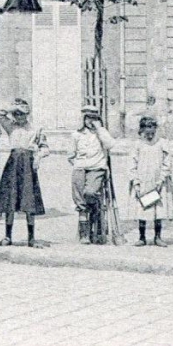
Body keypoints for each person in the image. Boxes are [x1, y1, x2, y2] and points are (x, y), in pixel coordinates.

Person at [0, 99, 48, 247]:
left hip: (28, 165)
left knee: (29, 200)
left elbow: (45, 148)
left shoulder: (35, 129)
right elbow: (0, 113)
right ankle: (7, 237)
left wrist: (38, 157)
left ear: (27, 114)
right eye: (16, 114)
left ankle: (31, 238)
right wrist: (13, 107)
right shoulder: (10, 126)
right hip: (13, 163)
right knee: (10, 200)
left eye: (22, 114)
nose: (19, 117)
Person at [69, 103, 115, 244]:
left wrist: (99, 129)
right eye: (88, 117)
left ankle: (95, 210)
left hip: (97, 168)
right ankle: (84, 234)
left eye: (94, 118)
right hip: (80, 168)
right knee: (80, 200)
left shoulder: (101, 133)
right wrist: (78, 165)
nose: (91, 121)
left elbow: (110, 145)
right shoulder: (76, 134)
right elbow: (70, 155)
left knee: (90, 193)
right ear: (83, 119)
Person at [128, 114, 173, 247]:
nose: (149, 135)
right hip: (142, 181)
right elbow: (132, 164)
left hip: (158, 181)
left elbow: (167, 163)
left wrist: (161, 180)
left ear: (156, 129)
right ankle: (142, 237)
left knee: (158, 210)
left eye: (152, 131)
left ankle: (158, 237)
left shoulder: (162, 143)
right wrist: (136, 183)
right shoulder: (137, 145)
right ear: (141, 130)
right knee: (142, 208)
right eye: (146, 132)